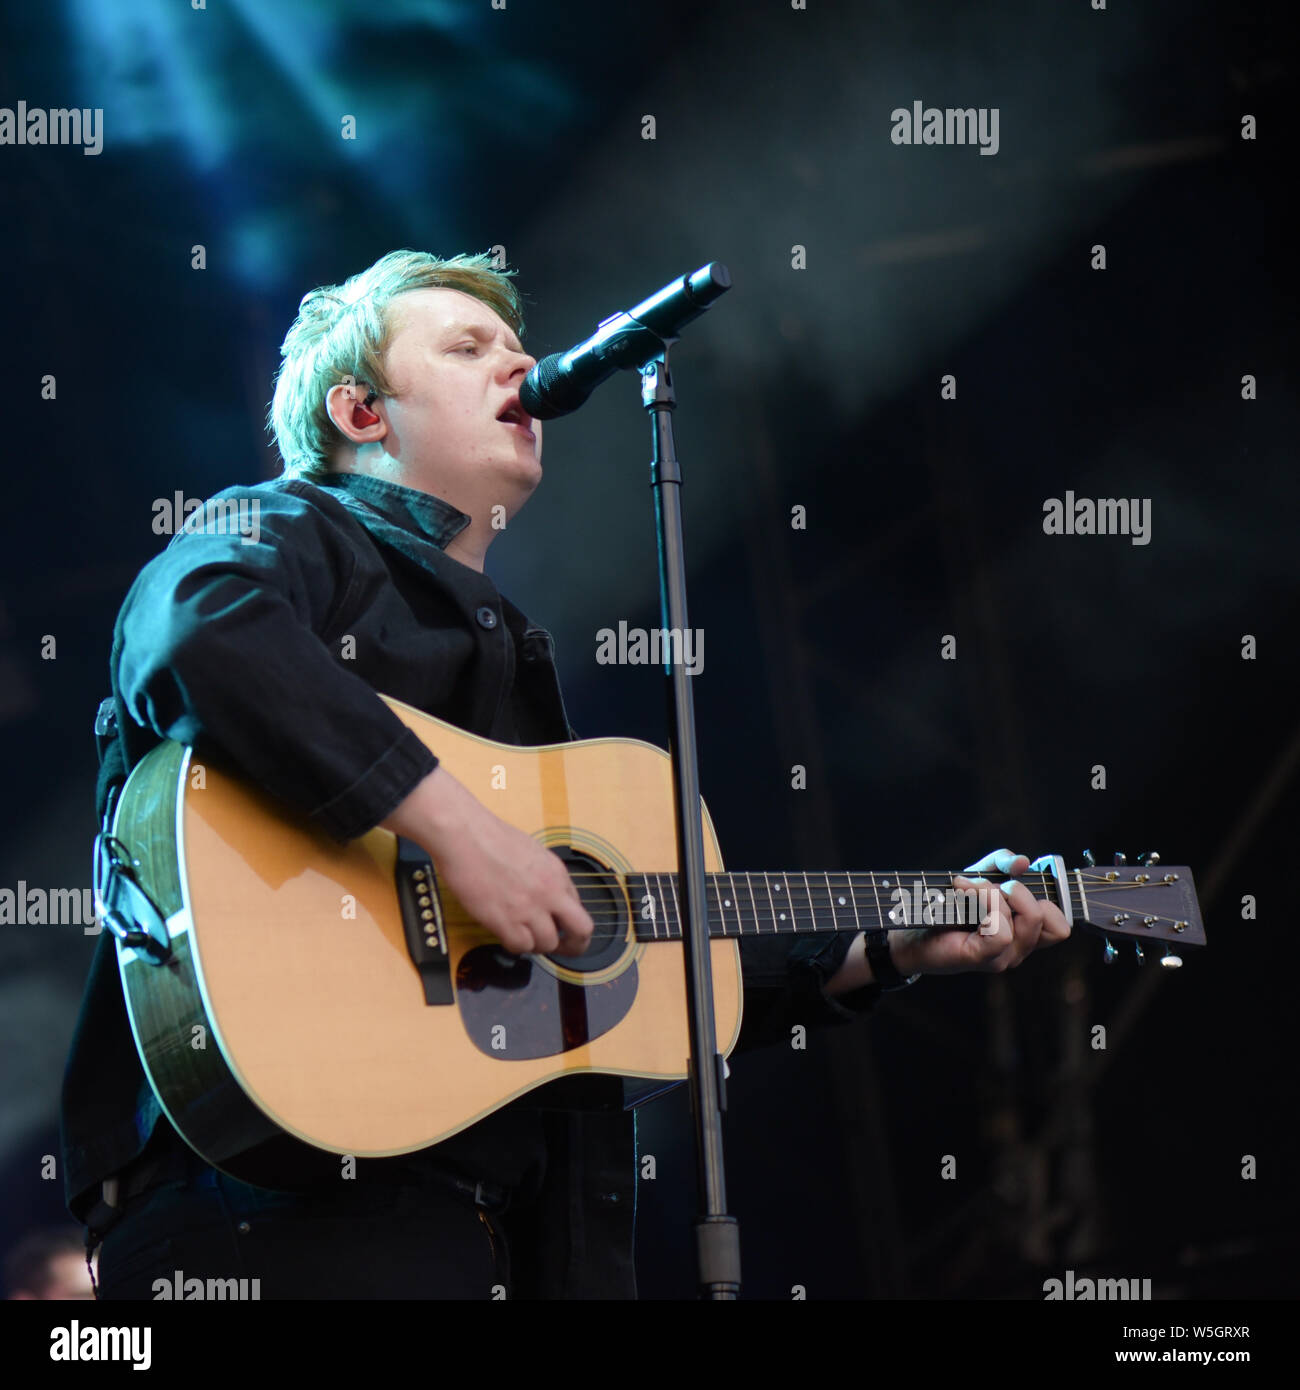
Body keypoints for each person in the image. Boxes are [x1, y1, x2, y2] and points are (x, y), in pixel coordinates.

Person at [60, 249, 1070, 1300]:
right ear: (361, 412)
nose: (520, 364)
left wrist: (888, 947)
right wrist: (462, 834)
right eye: (466, 347)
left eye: (516, 345)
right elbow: (194, 630)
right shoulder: (290, 528)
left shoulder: (508, 665)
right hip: (279, 1213)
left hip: (493, 1230)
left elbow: (640, 975)